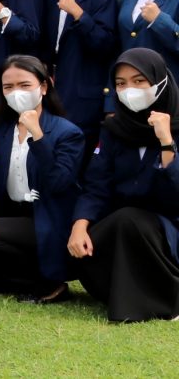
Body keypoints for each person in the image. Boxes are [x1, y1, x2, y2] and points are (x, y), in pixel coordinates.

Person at [0, 55, 81, 302]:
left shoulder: (68, 133)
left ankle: (51, 282)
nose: (16, 93)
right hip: (13, 213)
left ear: (44, 87)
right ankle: (34, 277)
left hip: (49, 218)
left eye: (24, 85)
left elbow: (58, 182)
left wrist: (37, 135)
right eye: (8, 87)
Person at [70, 48, 179, 322]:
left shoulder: (175, 127)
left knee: (131, 220)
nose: (129, 89)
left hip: (170, 225)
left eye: (139, 81)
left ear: (161, 81)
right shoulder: (113, 129)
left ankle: (163, 300)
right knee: (87, 246)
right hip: (122, 222)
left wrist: (167, 142)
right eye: (121, 83)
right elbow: (96, 184)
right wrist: (79, 225)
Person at [43, 0, 118, 159]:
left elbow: (104, 45)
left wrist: (79, 14)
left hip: (84, 92)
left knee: (79, 155)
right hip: (53, 90)